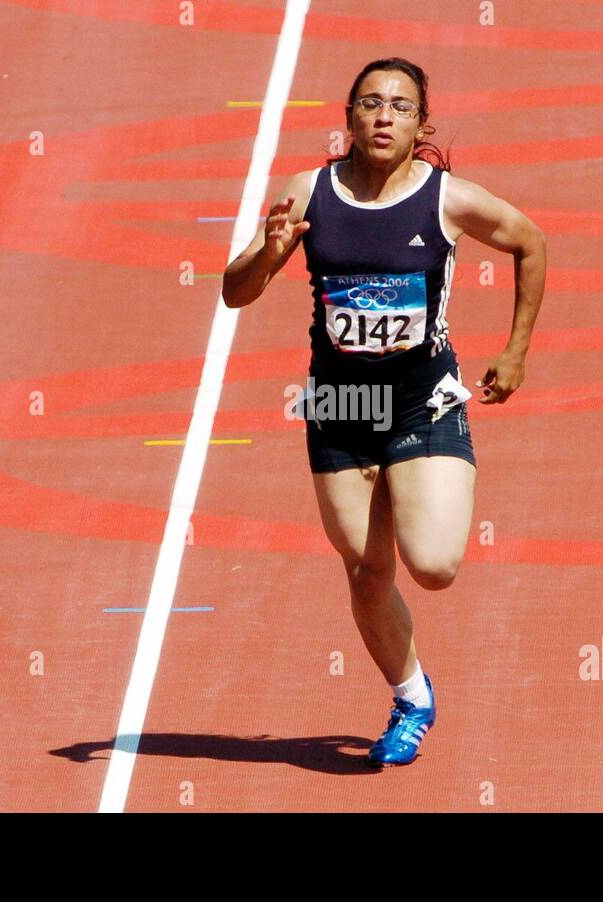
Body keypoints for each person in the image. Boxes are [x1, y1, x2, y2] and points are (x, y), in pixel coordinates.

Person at [222, 57, 545, 766]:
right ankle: (412, 696)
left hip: (419, 401)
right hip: (339, 406)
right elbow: (233, 291)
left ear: (420, 125)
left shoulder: (447, 200)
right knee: (367, 573)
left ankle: (415, 476)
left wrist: (516, 350)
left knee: (432, 565)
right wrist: (269, 256)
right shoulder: (308, 191)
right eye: (369, 103)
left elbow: (529, 241)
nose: (383, 116)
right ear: (347, 119)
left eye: (400, 106)